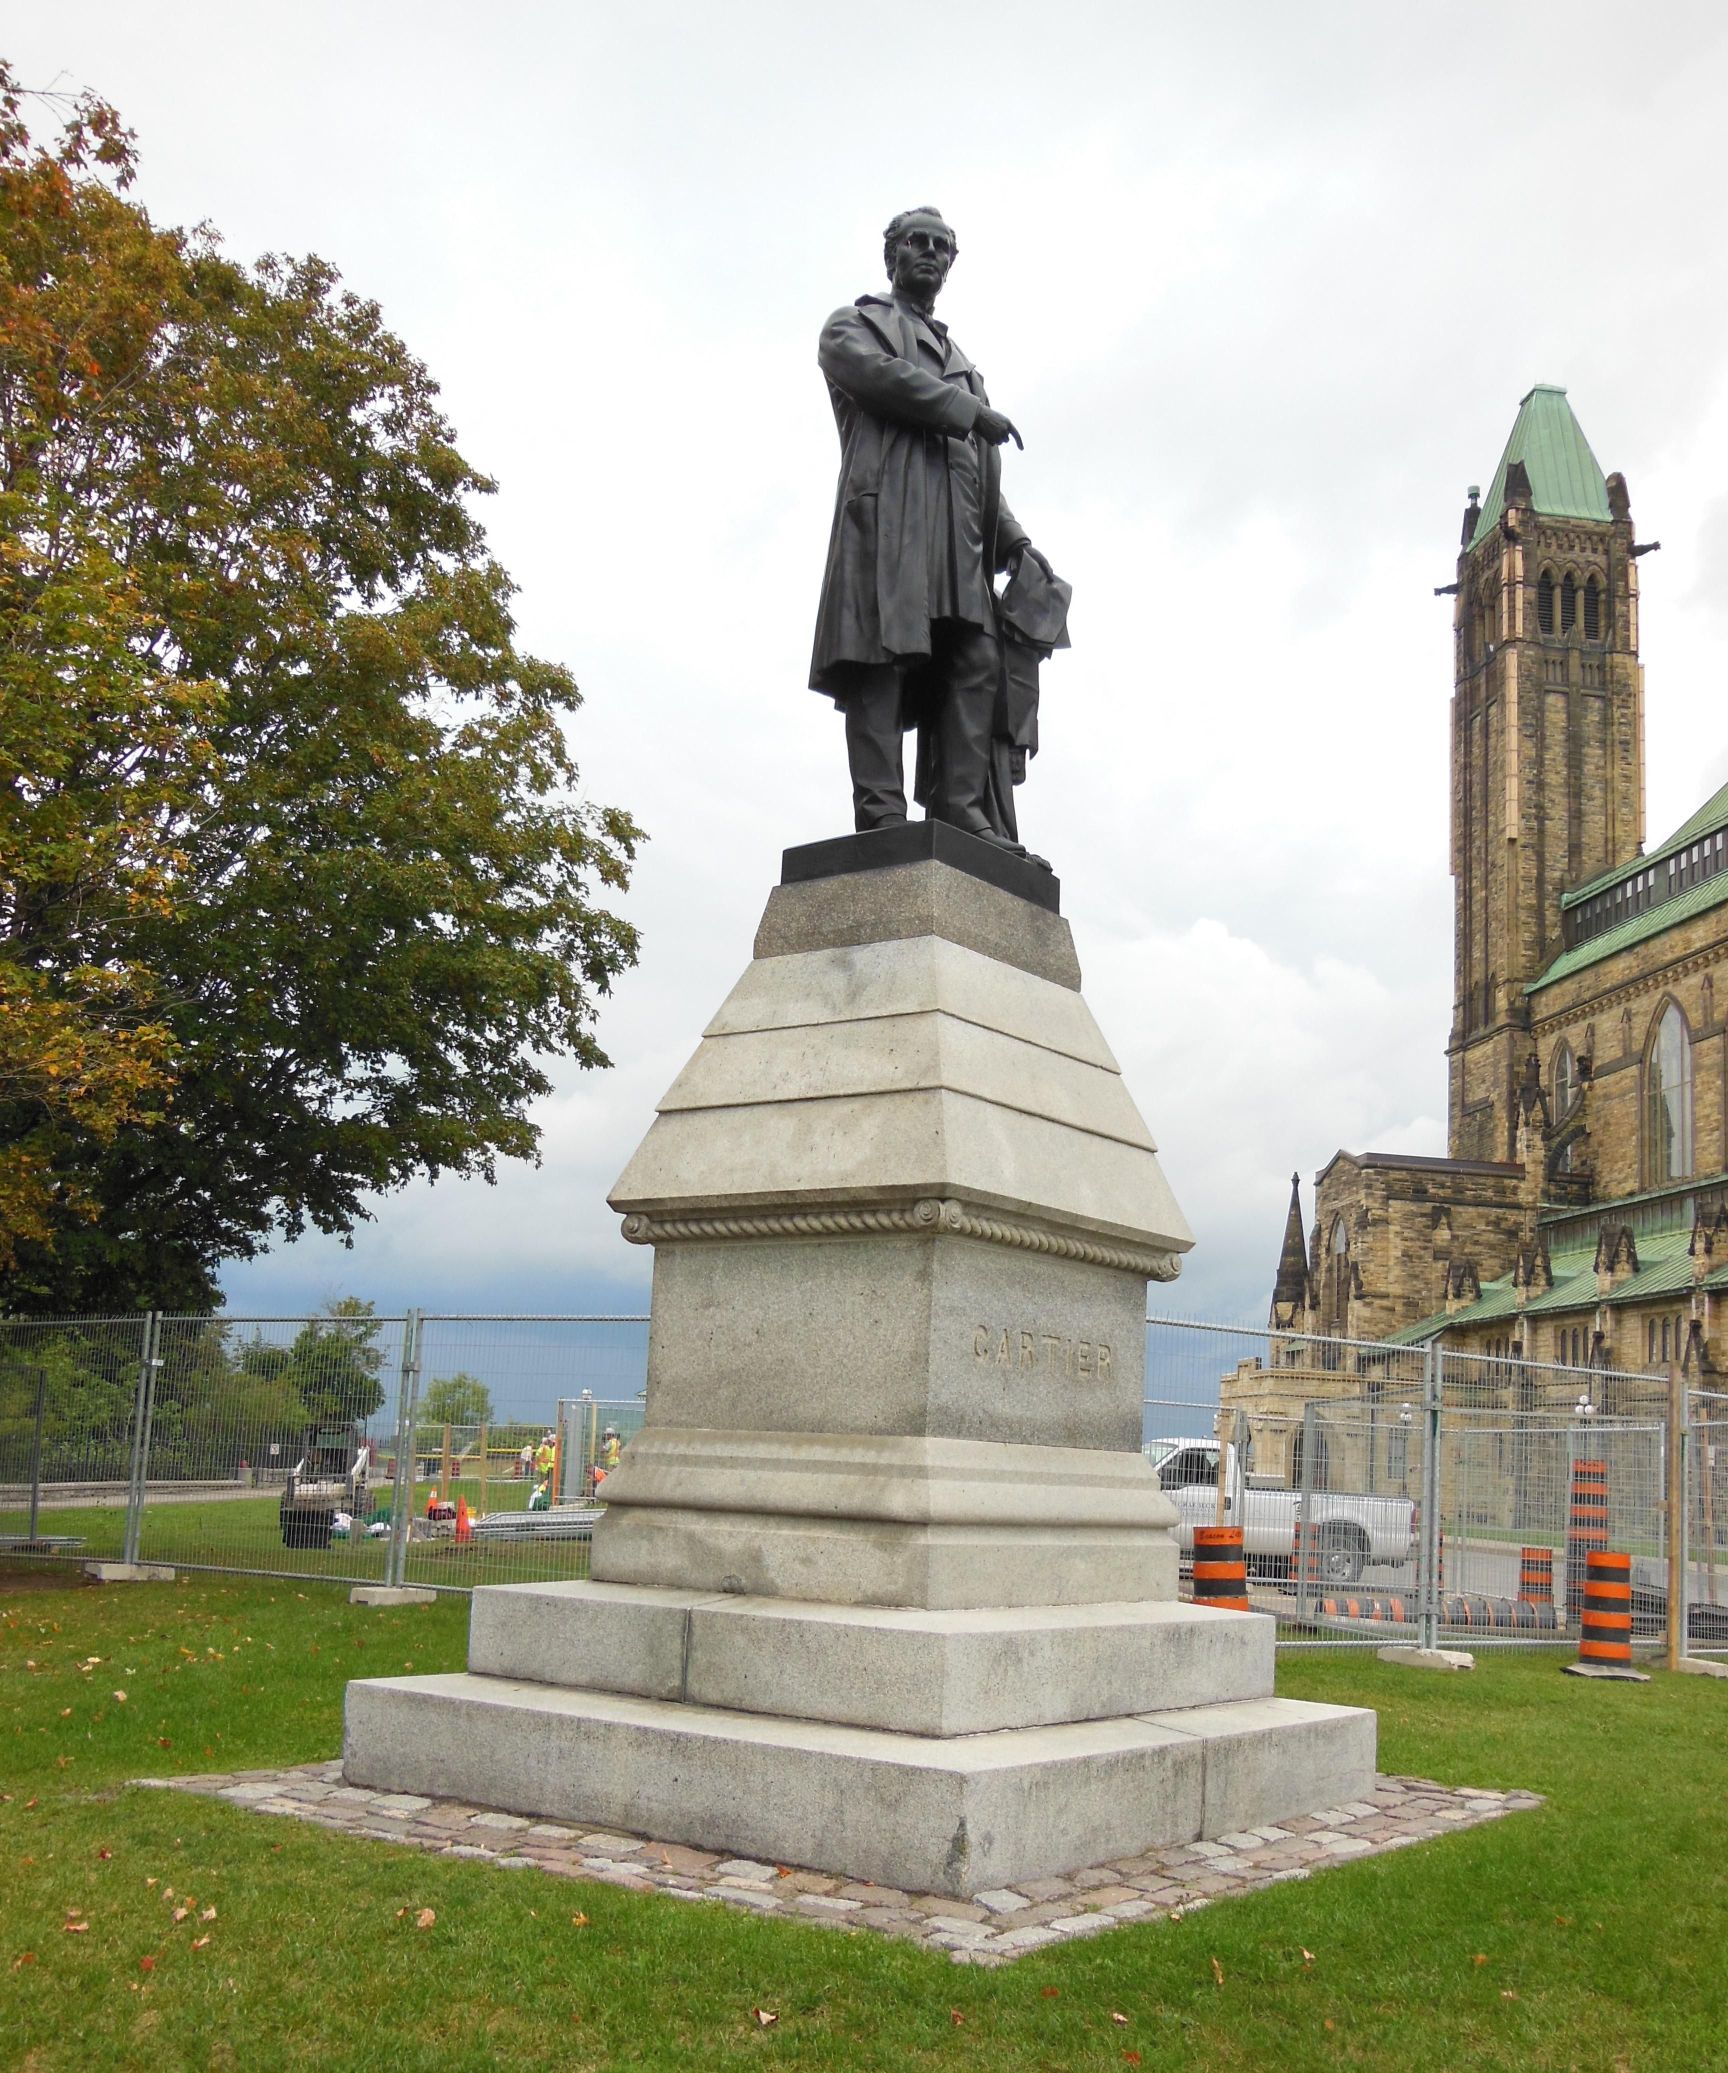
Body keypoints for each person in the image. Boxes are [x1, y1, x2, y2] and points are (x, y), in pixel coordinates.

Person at [809, 207, 1059, 848]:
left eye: (942, 247)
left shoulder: (964, 362)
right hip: (890, 526)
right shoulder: (854, 326)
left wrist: (1016, 541)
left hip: (959, 545)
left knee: (975, 658)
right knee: (883, 662)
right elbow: (878, 378)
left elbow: (976, 470)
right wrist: (967, 409)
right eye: (916, 242)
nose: (929, 253)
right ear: (891, 254)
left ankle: (959, 809)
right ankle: (883, 814)